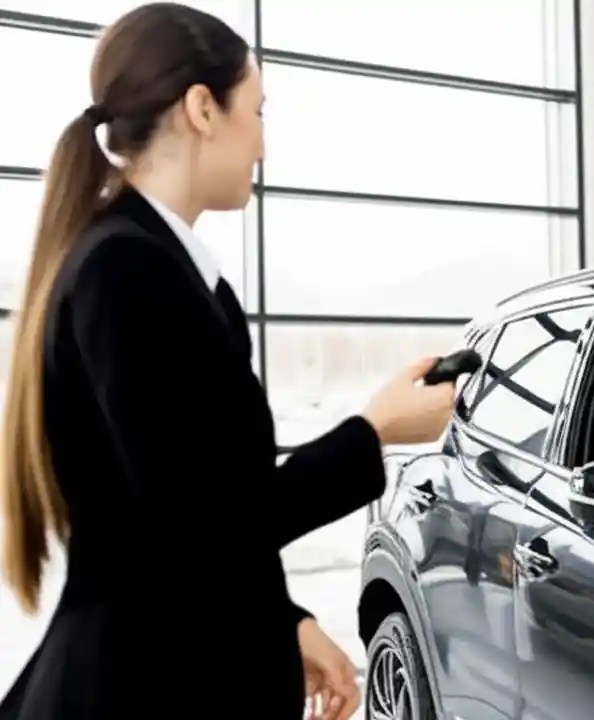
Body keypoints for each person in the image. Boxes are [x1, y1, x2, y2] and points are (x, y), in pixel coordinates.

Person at [0, 5, 459, 719]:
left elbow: (182, 520)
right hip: (143, 685)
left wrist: (284, 619)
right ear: (201, 109)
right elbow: (203, 517)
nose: (263, 144)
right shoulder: (127, 272)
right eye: (259, 110)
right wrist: (373, 432)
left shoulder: (163, 270)